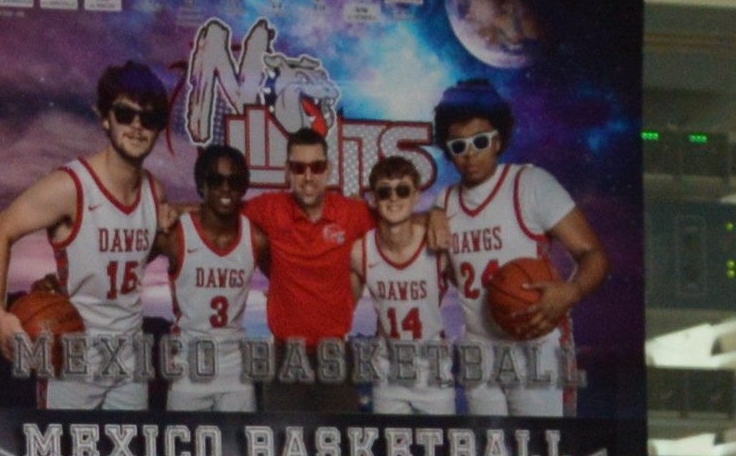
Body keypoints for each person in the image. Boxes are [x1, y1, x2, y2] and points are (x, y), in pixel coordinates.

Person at [0, 61, 170, 413]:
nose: (137, 126)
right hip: (71, 353)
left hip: (128, 357)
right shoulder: (71, 186)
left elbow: (133, 253)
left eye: (150, 118)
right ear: (105, 118)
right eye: (125, 114)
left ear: (159, 128)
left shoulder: (154, 192)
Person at [434, 81, 609, 423]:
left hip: (534, 345)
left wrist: (571, 291)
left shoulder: (531, 185)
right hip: (479, 349)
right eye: (458, 146)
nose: (470, 153)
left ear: (498, 140)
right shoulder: (444, 202)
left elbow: (595, 254)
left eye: (480, 141)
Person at [241, 126, 374, 369]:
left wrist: (438, 213)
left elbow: (400, 221)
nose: (308, 176)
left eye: (317, 167)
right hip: (284, 354)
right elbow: (218, 215)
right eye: (298, 168)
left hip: (335, 352)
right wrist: (170, 211)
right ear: (287, 172)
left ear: (329, 170)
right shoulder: (269, 208)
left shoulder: (353, 212)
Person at [157, 138, 260, 414]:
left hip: (235, 369)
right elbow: (126, 263)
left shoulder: (256, 237)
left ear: (244, 187)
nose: (226, 188)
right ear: (202, 184)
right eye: (216, 180)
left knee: (238, 454)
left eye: (235, 181)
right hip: (189, 369)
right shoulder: (175, 235)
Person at [352, 149, 452, 418]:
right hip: (388, 375)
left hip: (434, 374)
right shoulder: (361, 251)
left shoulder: (438, 244)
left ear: (416, 196)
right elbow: (341, 303)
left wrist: (438, 212)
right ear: (373, 199)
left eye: (403, 190)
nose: (394, 198)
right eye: (384, 192)